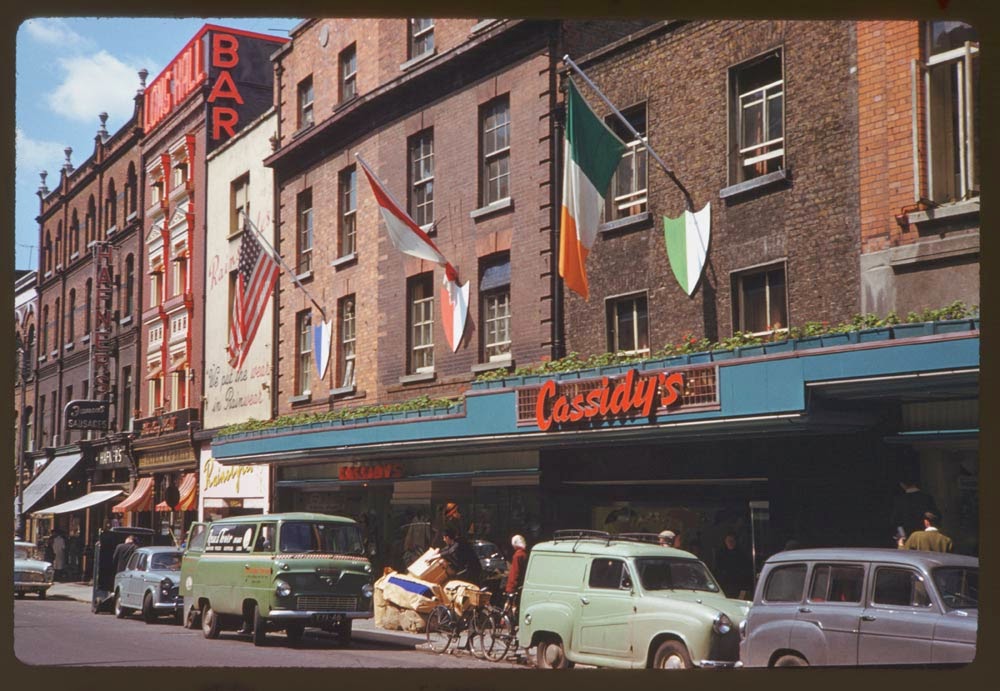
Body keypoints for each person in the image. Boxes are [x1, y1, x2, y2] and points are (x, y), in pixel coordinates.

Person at [890, 476, 940, 540]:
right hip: (926, 537)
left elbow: (895, 521)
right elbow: (937, 517)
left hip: (908, 537)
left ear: (902, 485)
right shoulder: (927, 497)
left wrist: (902, 535)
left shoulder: (900, 500)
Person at [713, 533, 753, 599]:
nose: (730, 543)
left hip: (738, 585)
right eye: (728, 541)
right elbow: (718, 570)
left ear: (735, 542)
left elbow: (746, 571)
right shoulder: (720, 554)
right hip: (725, 585)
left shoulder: (741, 554)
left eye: (732, 541)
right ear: (725, 542)